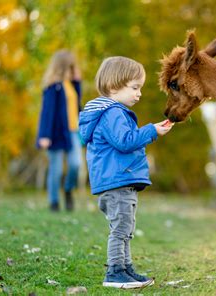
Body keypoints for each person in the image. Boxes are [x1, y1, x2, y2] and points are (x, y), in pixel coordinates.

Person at [79, 56, 174, 289]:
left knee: (125, 228)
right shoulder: (113, 113)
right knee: (121, 229)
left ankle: (126, 267)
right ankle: (114, 272)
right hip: (116, 182)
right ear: (114, 87)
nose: (139, 93)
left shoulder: (113, 112)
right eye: (135, 88)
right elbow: (125, 141)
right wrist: (151, 130)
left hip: (119, 181)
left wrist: (151, 130)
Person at [36, 50, 83, 212]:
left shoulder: (72, 85)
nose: (73, 69)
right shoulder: (52, 87)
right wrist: (44, 135)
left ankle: (68, 189)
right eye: (70, 66)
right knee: (55, 170)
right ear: (63, 67)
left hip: (73, 132)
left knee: (75, 164)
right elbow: (47, 113)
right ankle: (54, 202)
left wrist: (77, 82)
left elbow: (77, 107)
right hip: (55, 134)